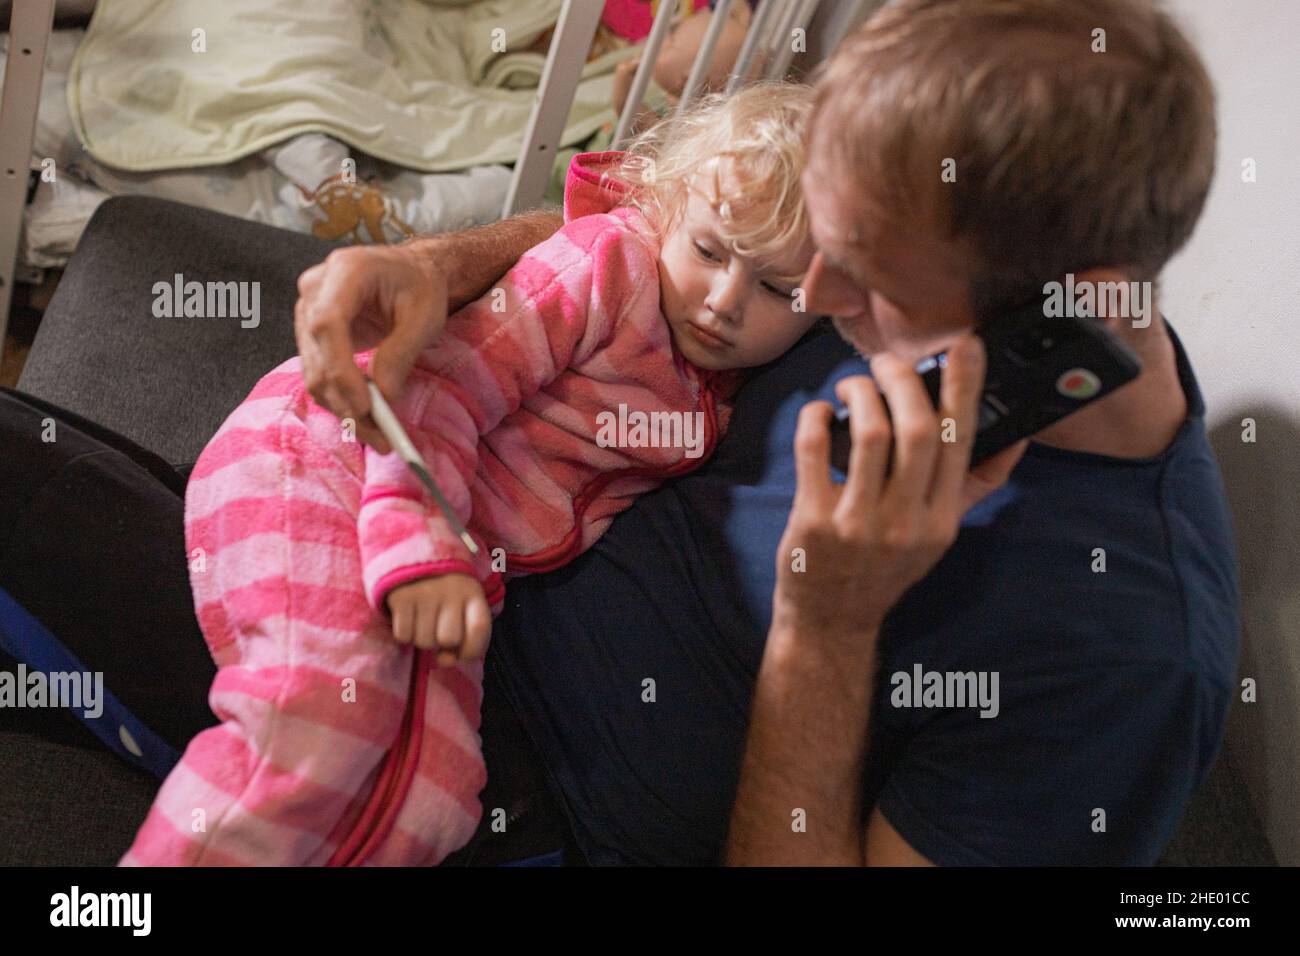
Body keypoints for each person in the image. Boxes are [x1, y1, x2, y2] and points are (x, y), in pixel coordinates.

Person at [296, 0, 1238, 865]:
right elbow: (655, 234)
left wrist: (826, 625)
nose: (816, 299)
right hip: (452, 549)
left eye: (867, 280)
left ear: (1080, 302)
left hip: (513, 796)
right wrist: (441, 264)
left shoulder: (1128, 663)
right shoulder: (949, 254)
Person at [118, 84, 822, 866]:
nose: (725, 302)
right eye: (710, 250)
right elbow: (435, 389)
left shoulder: (720, 397)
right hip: (336, 459)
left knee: (438, 800)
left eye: (776, 288)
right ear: (665, 200)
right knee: (315, 716)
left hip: (450, 574)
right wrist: (420, 547)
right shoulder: (605, 265)